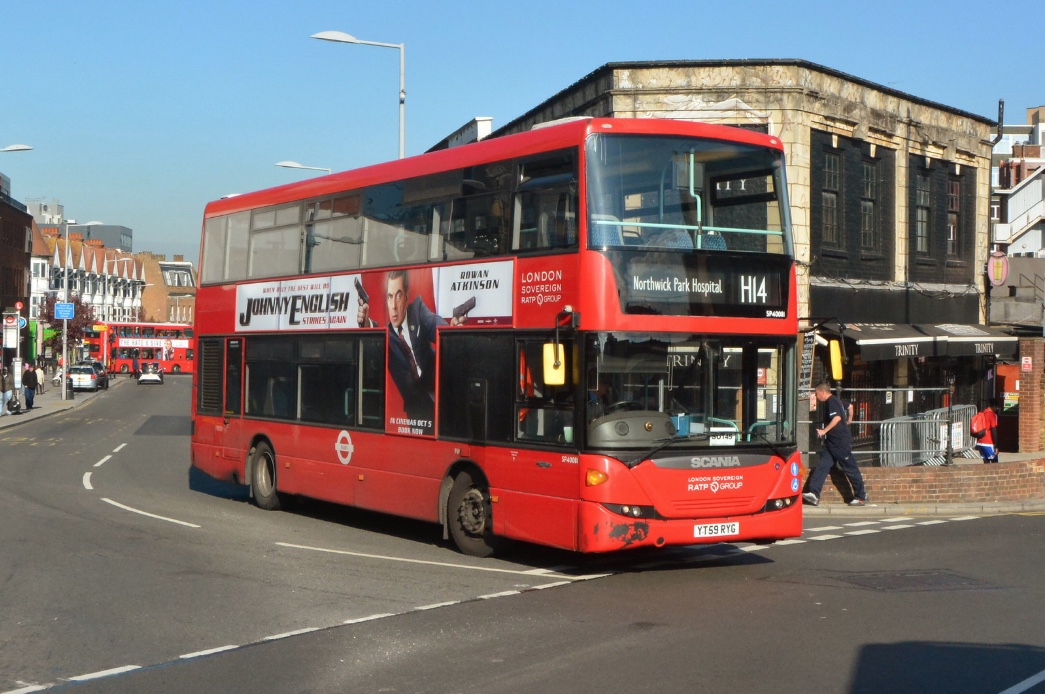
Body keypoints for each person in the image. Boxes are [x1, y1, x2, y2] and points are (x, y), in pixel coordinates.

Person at [357, 270, 447, 430]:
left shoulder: (418, 311)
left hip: (442, 395)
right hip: (418, 413)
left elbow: (439, 328)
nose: (393, 306)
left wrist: (451, 328)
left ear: (406, 297)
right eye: (390, 297)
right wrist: (365, 325)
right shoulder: (387, 336)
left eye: (398, 295)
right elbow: (373, 345)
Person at [803, 382, 868, 506]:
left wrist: (824, 431)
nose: (816, 397)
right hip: (831, 442)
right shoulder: (836, 401)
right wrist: (849, 420)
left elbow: (837, 418)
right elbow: (850, 406)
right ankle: (813, 493)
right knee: (823, 465)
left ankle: (861, 496)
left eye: (817, 394)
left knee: (850, 467)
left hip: (840, 442)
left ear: (822, 392)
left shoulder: (832, 401)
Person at [974, 398, 1001, 464]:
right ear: (994, 406)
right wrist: (996, 446)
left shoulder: (982, 413)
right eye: (997, 408)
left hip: (980, 442)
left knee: (986, 464)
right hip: (989, 443)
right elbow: (994, 431)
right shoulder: (992, 415)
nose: (997, 409)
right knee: (995, 464)